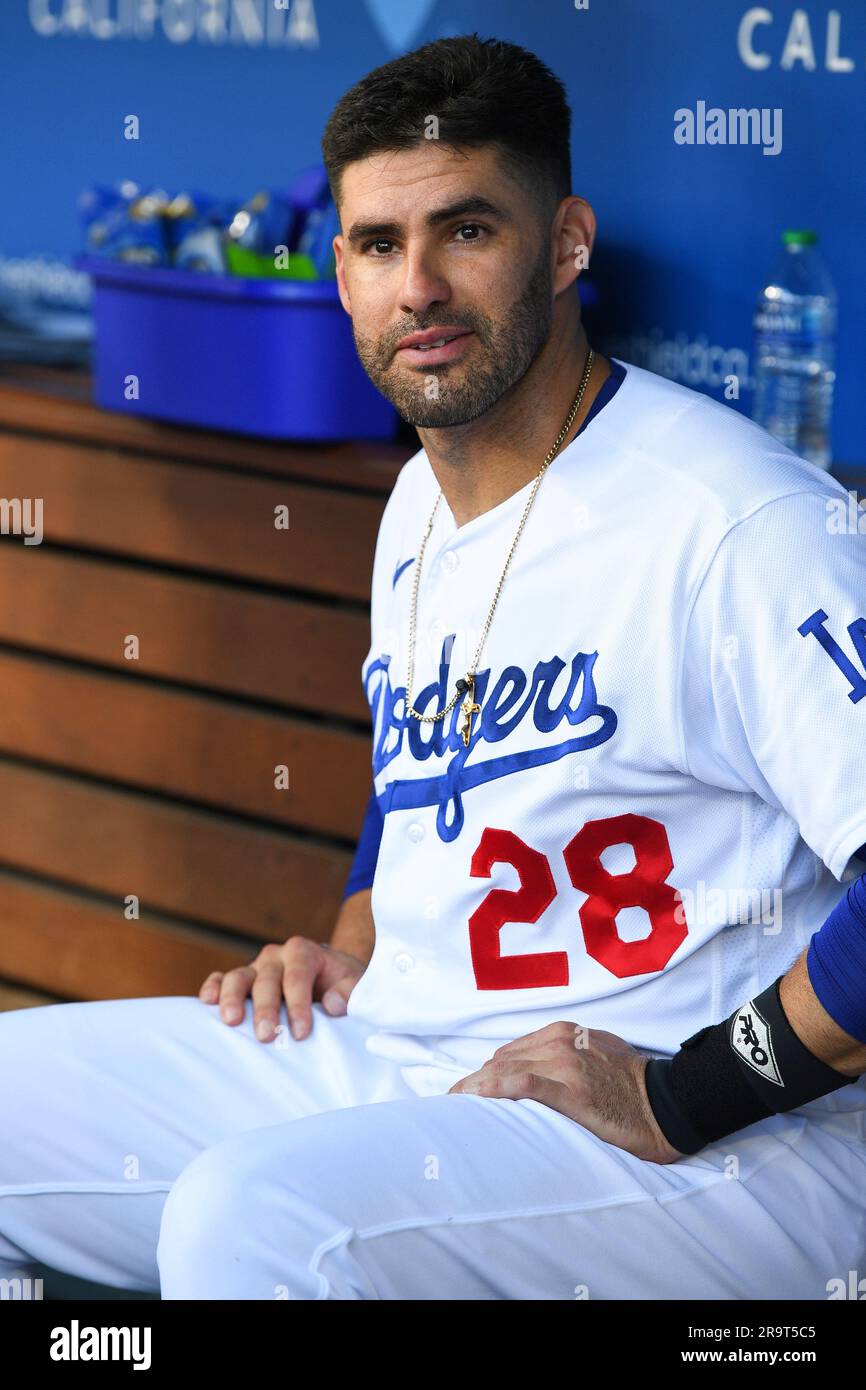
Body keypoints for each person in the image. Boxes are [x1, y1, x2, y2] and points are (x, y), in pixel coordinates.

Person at [1, 34, 864, 1302]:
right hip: (413, 1054)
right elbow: (428, 768)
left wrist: (688, 1089)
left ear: (564, 243)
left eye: (465, 230)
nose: (418, 287)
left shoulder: (737, 523)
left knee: (253, 1223)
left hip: (717, 1145)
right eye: (375, 244)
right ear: (340, 271)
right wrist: (352, 940)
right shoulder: (417, 502)